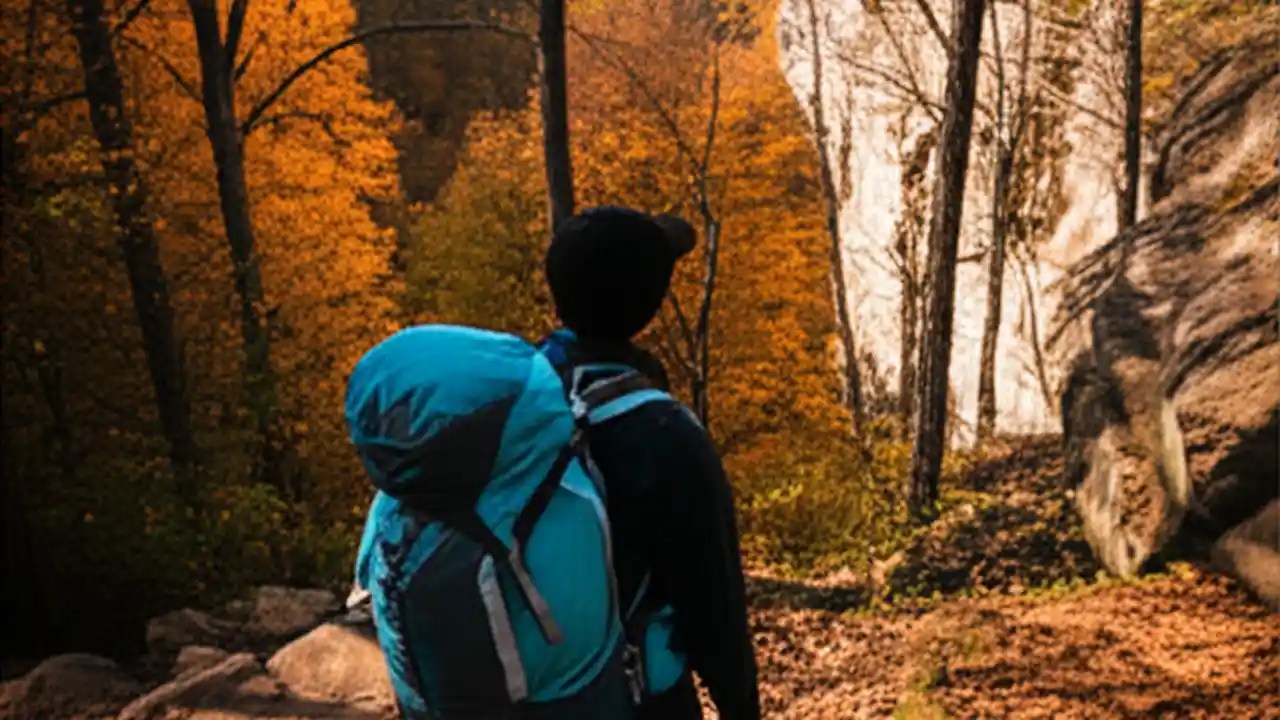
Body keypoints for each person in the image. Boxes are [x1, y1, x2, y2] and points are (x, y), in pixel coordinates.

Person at [538, 206, 760, 720]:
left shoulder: (513, 407)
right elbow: (714, 611)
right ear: (652, 304)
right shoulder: (665, 434)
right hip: (638, 702)